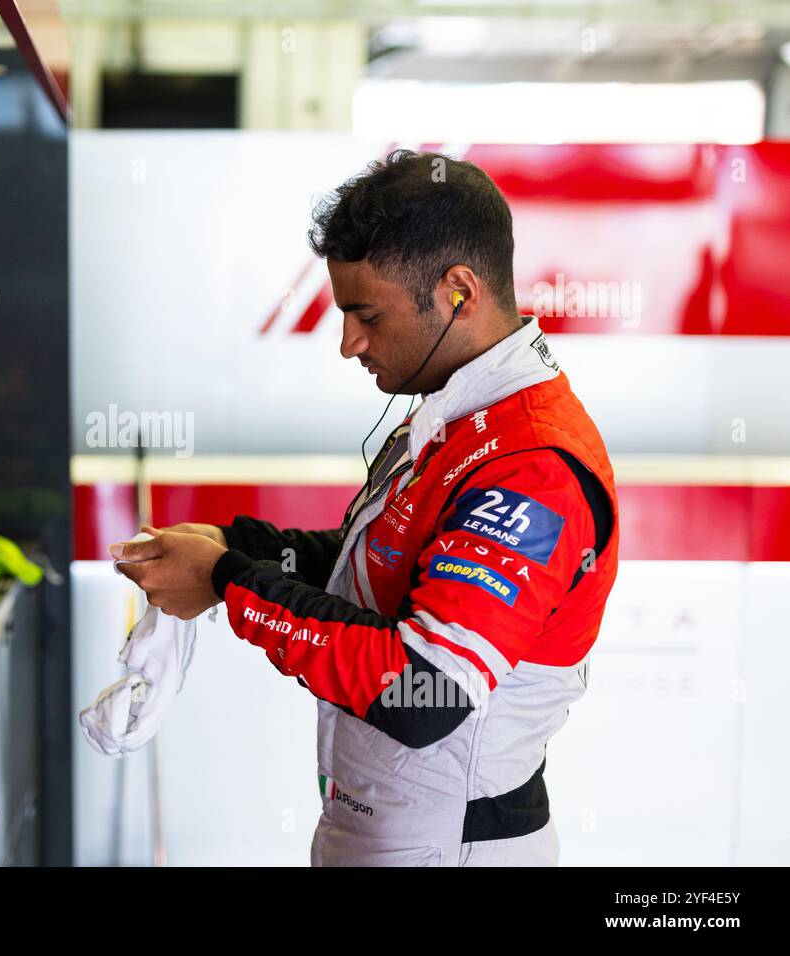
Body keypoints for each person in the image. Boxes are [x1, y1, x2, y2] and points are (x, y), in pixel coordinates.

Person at [110, 149, 619, 867]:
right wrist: (234, 544)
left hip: (453, 846)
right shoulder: (458, 416)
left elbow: (423, 690)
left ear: (458, 293)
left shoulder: (529, 464)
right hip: (391, 827)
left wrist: (227, 580)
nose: (349, 343)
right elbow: (374, 565)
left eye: (365, 314)